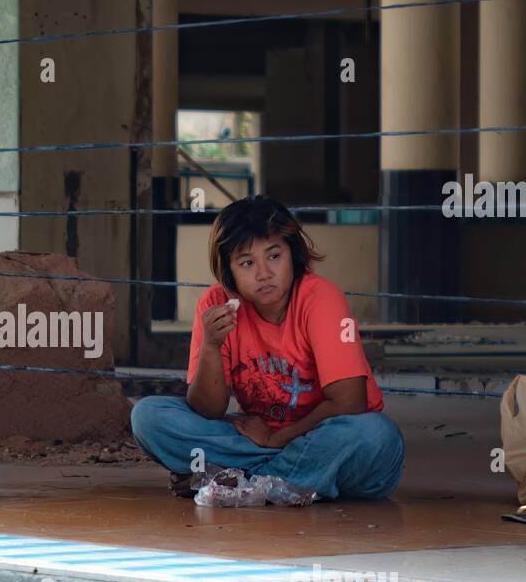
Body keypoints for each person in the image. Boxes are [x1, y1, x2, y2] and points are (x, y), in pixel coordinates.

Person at [130, 195, 403, 502]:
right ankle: (282, 483)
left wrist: (278, 438)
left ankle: (243, 482)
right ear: (228, 271)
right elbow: (207, 410)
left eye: (274, 256)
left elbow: (351, 402)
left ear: (293, 254)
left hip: (324, 438)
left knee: (377, 435)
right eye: (247, 263)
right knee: (148, 415)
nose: (263, 273)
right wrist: (210, 346)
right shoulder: (217, 305)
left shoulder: (321, 299)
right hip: (254, 442)